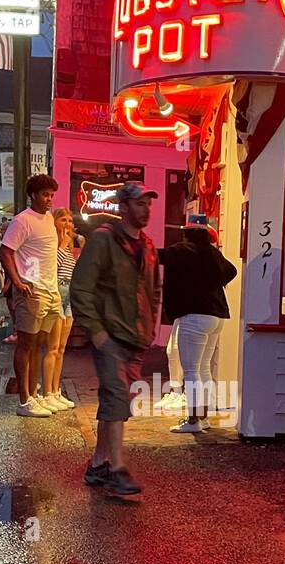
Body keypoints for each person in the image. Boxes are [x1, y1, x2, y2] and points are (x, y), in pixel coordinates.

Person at [69, 181, 161, 496]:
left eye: (148, 203)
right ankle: (118, 468)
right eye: (139, 203)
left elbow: (153, 291)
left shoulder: (147, 246)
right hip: (110, 334)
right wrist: (95, 331)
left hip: (135, 336)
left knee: (116, 401)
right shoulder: (104, 241)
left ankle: (98, 465)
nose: (146, 208)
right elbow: (81, 287)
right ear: (123, 208)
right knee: (117, 395)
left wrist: (150, 329)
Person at [160, 223, 237, 433]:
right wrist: (210, 283)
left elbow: (158, 256)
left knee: (192, 370)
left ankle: (193, 420)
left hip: (194, 315)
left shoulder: (181, 251)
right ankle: (203, 417)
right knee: (203, 368)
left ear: (187, 236)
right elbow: (232, 270)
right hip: (216, 315)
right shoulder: (211, 252)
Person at [0, 175, 64, 418]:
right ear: (33, 195)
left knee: (39, 343)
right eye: (46, 194)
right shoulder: (22, 221)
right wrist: (17, 281)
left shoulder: (47, 217)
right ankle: (24, 400)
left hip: (49, 289)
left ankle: (34, 395)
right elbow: (5, 253)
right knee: (26, 344)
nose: (49, 199)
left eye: (51, 195)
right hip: (32, 290)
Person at [39, 208, 80, 410]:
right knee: (52, 348)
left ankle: (56, 391)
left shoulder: (69, 245)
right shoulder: (52, 244)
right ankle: (46, 393)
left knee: (62, 348)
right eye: (63, 219)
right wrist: (63, 246)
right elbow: (52, 270)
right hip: (56, 292)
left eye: (70, 220)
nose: (67, 223)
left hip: (68, 295)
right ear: (54, 222)